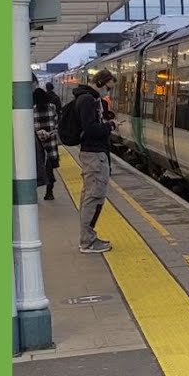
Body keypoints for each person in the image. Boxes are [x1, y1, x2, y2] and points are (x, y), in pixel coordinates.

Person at [73, 69, 116, 253]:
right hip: (94, 155)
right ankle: (87, 241)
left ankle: (88, 238)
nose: (108, 92)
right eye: (108, 88)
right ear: (100, 83)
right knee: (94, 196)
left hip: (94, 154)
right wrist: (109, 126)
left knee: (91, 195)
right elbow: (90, 130)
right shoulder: (88, 100)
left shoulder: (87, 99)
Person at [32, 87, 61, 201]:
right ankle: (49, 193)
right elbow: (57, 123)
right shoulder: (52, 107)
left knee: (35, 169)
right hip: (51, 143)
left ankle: (33, 193)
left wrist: (38, 133)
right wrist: (50, 133)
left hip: (37, 144)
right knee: (49, 170)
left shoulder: (32, 110)